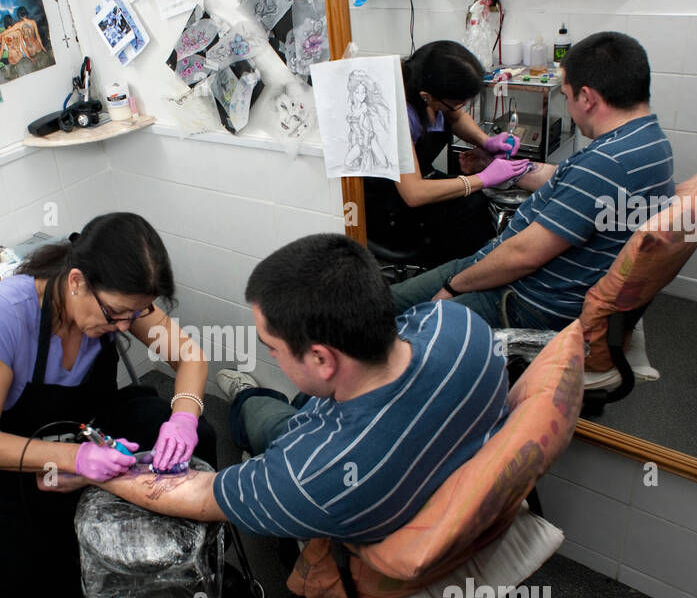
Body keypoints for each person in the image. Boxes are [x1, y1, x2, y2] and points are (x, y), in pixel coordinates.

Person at [44, 234, 508, 557]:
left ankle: (246, 398)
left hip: (334, 450)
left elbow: (200, 493)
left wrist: (92, 473)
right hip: (385, 435)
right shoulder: (464, 330)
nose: (267, 351)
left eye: (272, 348)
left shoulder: (308, 476)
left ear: (323, 359)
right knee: (303, 408)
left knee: (256, 413)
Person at [0, 213, 215, 598]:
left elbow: (190, 357)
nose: (123, 325)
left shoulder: (121, 301)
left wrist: (185, 416)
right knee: (6, 574)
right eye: (116, 315)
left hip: (96, 428)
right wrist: (74, 461)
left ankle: (160, 584)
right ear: (76, 282)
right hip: (23, 457)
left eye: (134, 315)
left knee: (189, 430)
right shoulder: (4, 314)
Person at [390, 32, 675, 331]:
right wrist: (496, 164)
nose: (569, 109)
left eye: (565, 97)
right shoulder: (648, 143)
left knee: (390, 314)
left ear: (588, 98)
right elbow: (566, 177)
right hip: (516, 276)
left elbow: (520, 256)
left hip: (519, 296)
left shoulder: (606, 163)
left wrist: (453, 286)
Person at [365, 41, 533, 269]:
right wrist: (481, 179)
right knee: (469, 212)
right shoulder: (398, 115)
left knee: (477, 205)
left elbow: (456, 117)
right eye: (455, 103)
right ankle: (450, 283)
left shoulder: (430, 96)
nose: (458, 109)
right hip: (389, 208)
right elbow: (413, 194)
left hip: (420, 180)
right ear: (427, 96)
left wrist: (487, 142)